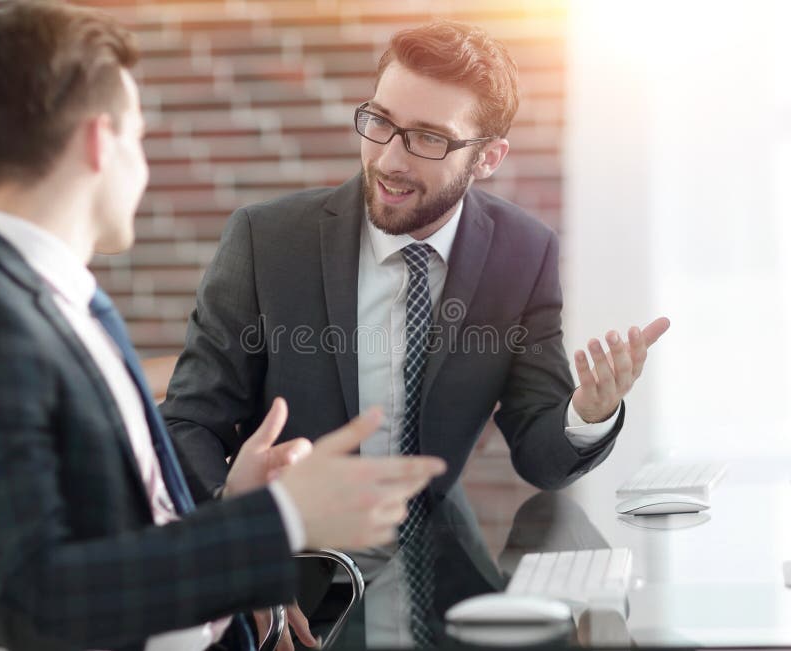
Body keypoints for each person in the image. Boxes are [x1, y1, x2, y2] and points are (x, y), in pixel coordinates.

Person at [161, 19, 670, 647]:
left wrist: (586, 414)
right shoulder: (266, 242)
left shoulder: (522, 252)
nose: (390, 159)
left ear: (488, 157)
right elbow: (188, 424)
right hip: (295, 578)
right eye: (380, 122)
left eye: (429, 137)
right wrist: (237, 537)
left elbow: (540, 453)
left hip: (448, 572)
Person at [0, 3, 447, 651]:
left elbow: (114, 532)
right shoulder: (4, 320)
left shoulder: (57, 301)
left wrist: (237, 504)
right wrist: (280, 519)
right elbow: (28, 600)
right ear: (99, 141)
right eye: (139, 137)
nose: (144, 165)